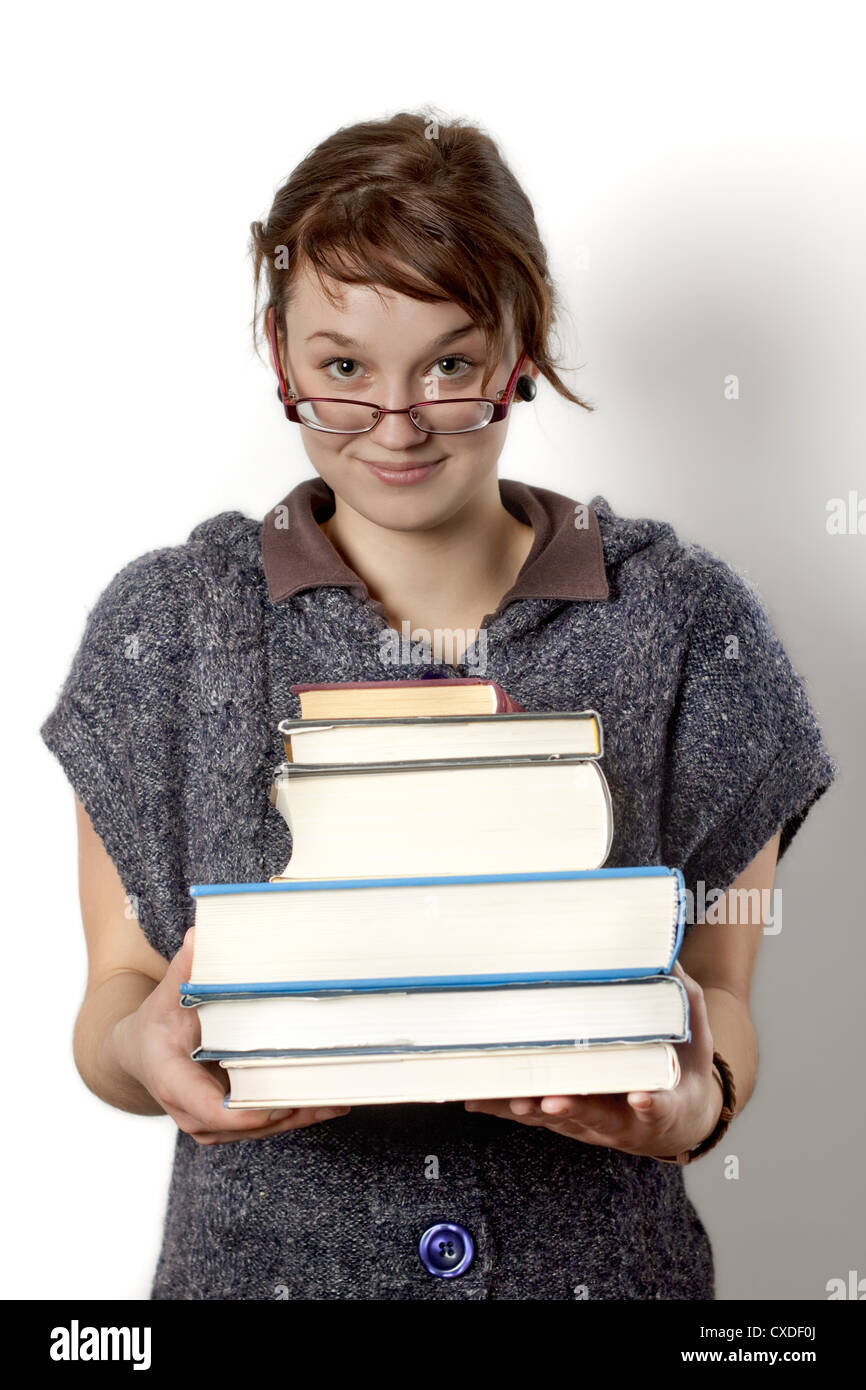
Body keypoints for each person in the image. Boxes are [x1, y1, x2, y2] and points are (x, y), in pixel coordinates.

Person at [39, 110, 837, 1300]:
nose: (396, 427)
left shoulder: (683, 626)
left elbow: (719, 998)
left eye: (450, 366)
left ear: (523, 344)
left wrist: (694, 1103)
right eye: (343, 369)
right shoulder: (173, 626)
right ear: (278, 350)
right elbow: (114, 997)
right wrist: (137, 1050)